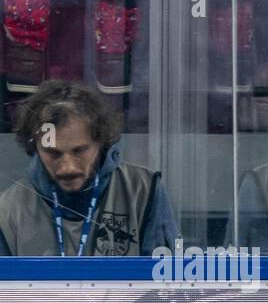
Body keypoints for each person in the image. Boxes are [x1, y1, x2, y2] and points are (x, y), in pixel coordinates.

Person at [0, 79, 178, 256]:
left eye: (80, 151)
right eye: (53, 154)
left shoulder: (144, 191)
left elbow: (166, 279)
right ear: (35, 148)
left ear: (100, 142)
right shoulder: (8, 211)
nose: (67, 168)